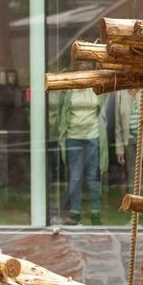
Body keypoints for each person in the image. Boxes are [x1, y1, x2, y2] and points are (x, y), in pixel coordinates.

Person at [51, 65, 110, 224]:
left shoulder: (96, 89)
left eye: (86, 71)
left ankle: (95, 214)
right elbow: (59, 108)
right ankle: (75, 214)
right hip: (73, 137)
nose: (83, 73)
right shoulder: (70, 91)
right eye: (81, 70)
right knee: (75, 177)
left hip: (93, 136)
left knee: (93, 176)